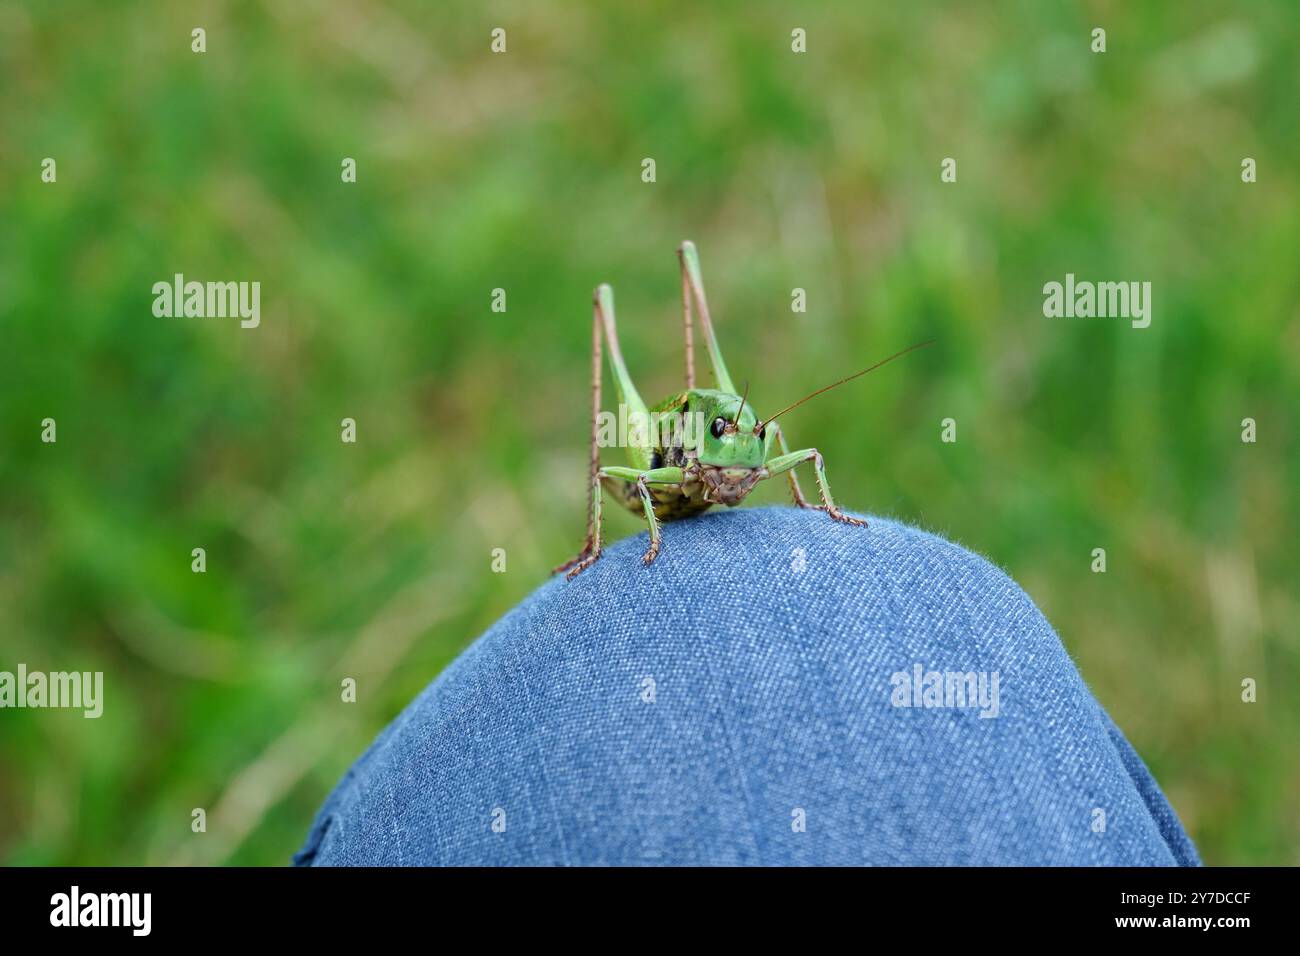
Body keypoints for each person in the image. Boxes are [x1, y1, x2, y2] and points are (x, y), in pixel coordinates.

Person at [295, 507, 1200, 866]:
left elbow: (792, 453)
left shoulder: (767, 461)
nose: (754, 457)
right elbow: (646, 472)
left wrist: (824, 508)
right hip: (662, 481)